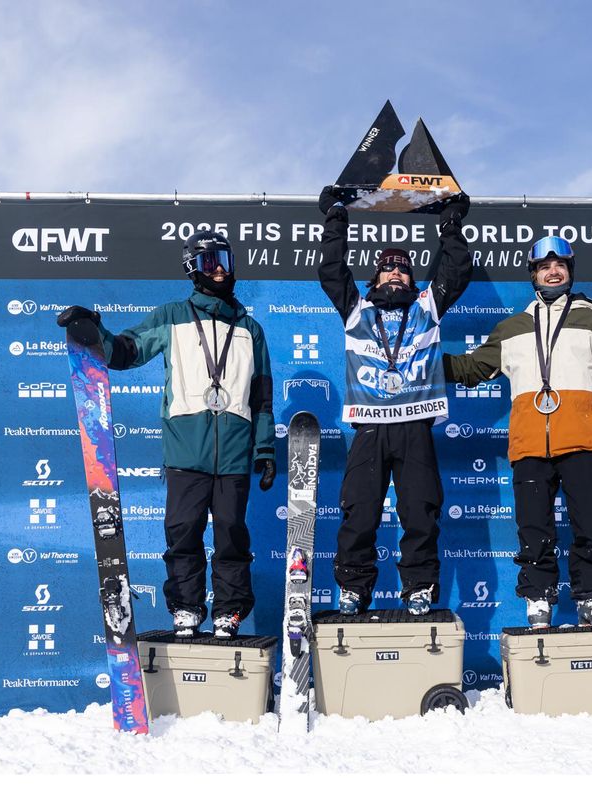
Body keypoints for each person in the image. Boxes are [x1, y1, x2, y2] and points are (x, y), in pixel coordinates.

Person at [443, 235, 592, 628]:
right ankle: (538, 598)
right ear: (533, 275)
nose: (553, 271)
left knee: (591, 524)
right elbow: (473, 369)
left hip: (582, 439)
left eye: (560, 266)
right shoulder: (511, 329)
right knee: (533, 528)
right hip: (530, 444)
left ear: (569, 272)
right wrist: (425, 361)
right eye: (545, 266)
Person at [56, 232, 276, 638]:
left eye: (224, 258)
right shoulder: (172, 316)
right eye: (210, 261)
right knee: (182, 531)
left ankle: (229, 611)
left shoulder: (251, 329)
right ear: (193, 268)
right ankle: (187, 609)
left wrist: (265, 448)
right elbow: (126, 351)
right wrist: (94, 329)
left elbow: (262, 395)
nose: (221, 269)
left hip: (234, 452)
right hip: (184, 450)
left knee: (231, 533)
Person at [316, 184, 473, 615]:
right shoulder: (357, 309)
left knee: (420, 513)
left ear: (412, 277)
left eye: (403, 269)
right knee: (359, 514)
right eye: (388, 269)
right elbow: (331, 270)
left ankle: (419, 587)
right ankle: (353, 589)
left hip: (415, 425)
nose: (396, 274)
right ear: (376, 276)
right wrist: (336, 219)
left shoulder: (427, 307)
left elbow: (457, 269)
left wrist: (450, 223)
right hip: (370, 427)